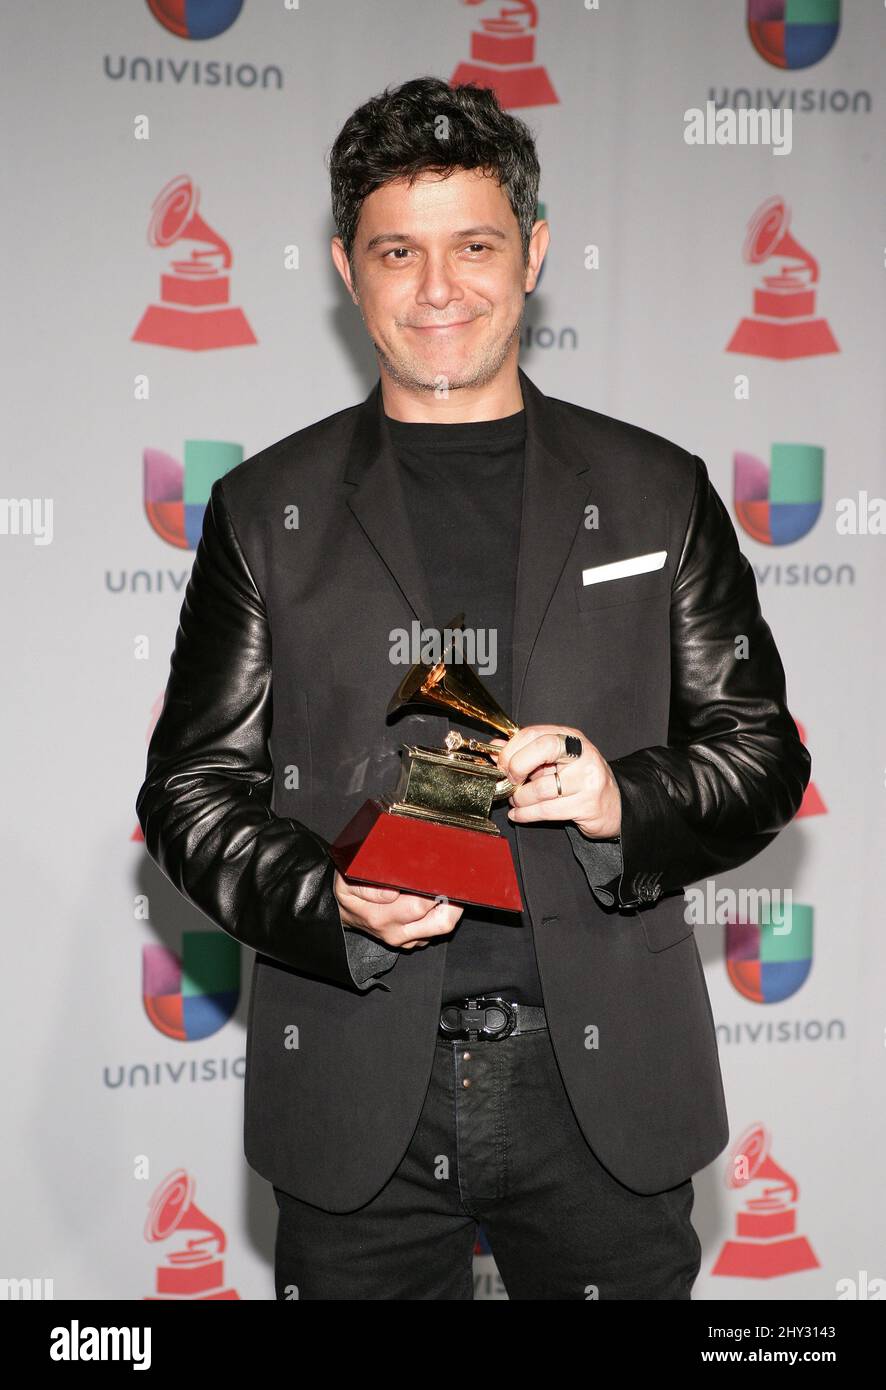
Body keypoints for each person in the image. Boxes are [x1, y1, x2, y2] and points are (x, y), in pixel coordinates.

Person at [135, 76, 811, 1300]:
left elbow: (759, 753)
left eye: (475, 245)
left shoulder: (657, 491)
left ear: (534, 252)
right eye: (399, 249)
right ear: (348, 268)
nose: (438, 287)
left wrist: (621, 798)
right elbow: (190, 793)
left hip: (605, 1093)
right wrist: (326, 895)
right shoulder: (264, 515)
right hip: (353, 1090)